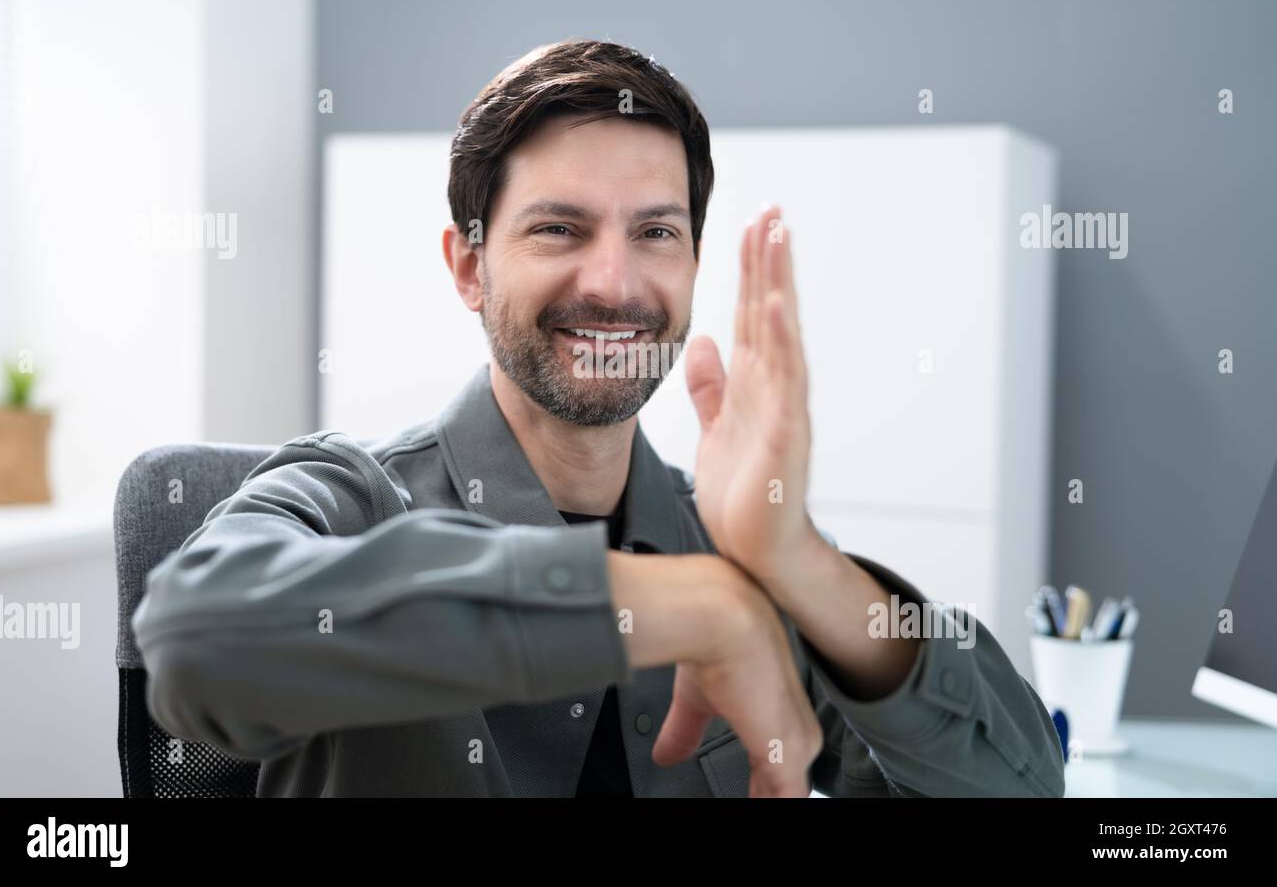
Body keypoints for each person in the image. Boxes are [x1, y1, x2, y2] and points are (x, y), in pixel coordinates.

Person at [133, 39, 1065, 797]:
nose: (615, 285)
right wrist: (684, 611)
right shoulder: (348, 496)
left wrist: (801, 568)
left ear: (694, 265)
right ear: (469, 267)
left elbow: (1020, 788)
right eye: (559, 229)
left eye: (656, 232)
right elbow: (195, 642)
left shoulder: (736, 547)